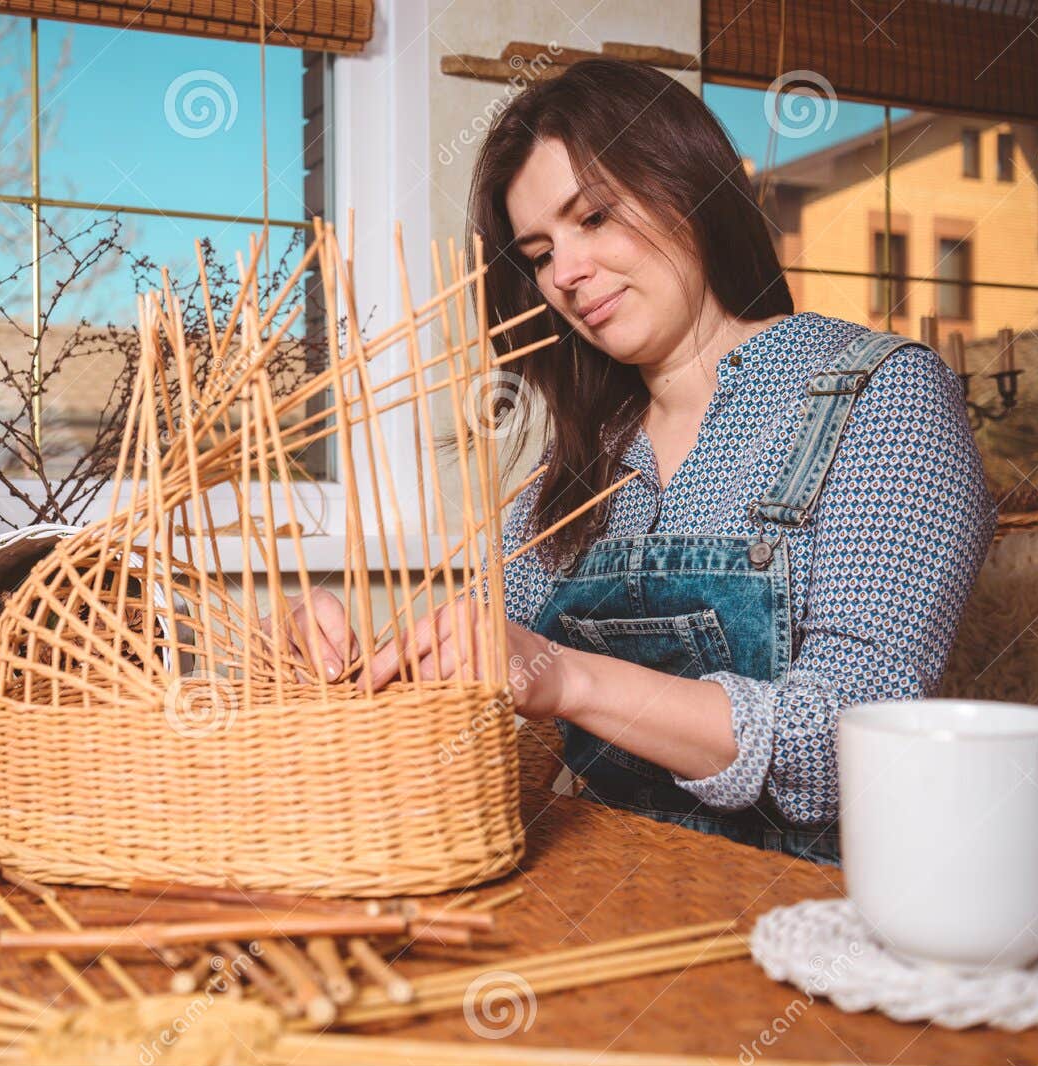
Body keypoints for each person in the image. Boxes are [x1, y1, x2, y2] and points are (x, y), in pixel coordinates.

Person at [278, 59, 994, 865]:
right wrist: (363, 655)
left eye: (594, 218)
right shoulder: (586, 455)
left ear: (688, 185)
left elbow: (858, 748)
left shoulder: (883, 395)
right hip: (613, 892)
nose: (568, 275)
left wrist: (573, 681)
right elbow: (488, 663)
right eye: (541, 252)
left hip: (815, 920)